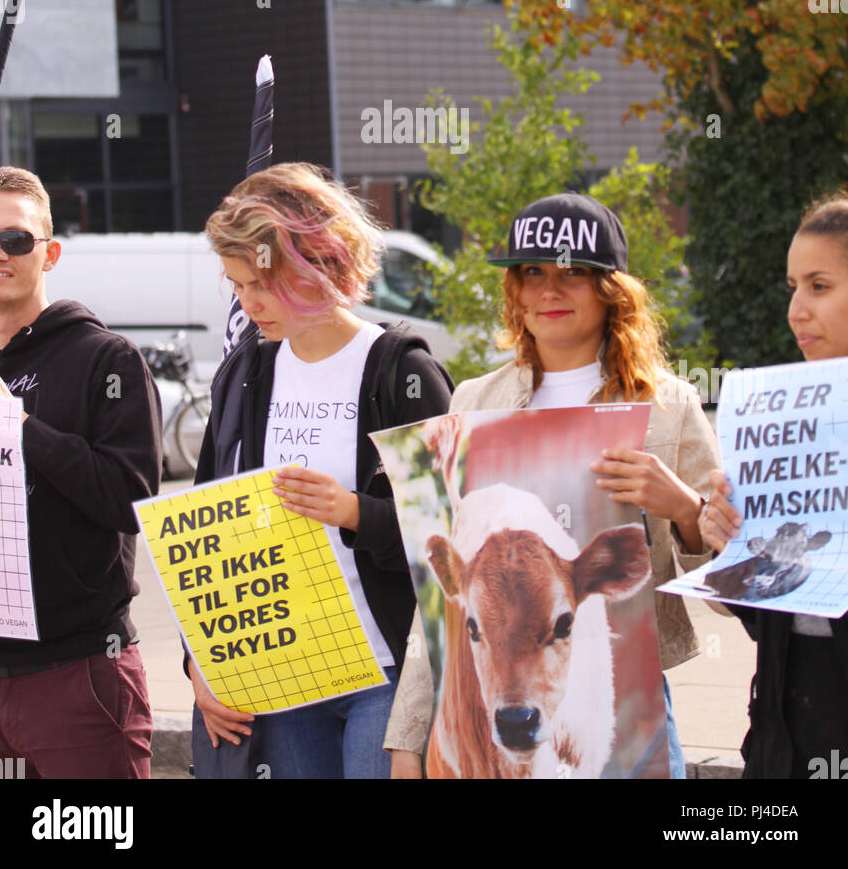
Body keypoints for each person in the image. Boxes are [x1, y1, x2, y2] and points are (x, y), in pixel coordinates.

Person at [386, 192, 719, 779]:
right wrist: (409, 737)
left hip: (629, 714)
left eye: (572, 274)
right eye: (531, 273)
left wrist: (686, 508)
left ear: (610, 289)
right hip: (498, 722)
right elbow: (438, 601)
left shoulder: (668, 406)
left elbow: (725, 582)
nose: (548, 291)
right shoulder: (473, 402)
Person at [188, 162, 452, 779]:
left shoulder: (401, 370)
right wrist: (201, 658)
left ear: (320, 265)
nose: (249, 304)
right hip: (281, 667)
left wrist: (353, 512)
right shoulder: (246, 374)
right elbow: (205, 523)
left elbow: (451, 532)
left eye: (262, 284)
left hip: (389, 668)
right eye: (236, 287)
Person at [0, 166, 162, 778]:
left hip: (78, 671)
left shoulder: (105, 359)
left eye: (14, 239)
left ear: (49, 252)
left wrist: (18, 426)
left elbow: (129, 499)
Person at [700, 191, 848, 779]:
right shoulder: (780, 422)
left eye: (819, 285)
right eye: (793, 288)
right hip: (785, 745)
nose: (796, 311)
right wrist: (733, 547)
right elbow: (774, 623)